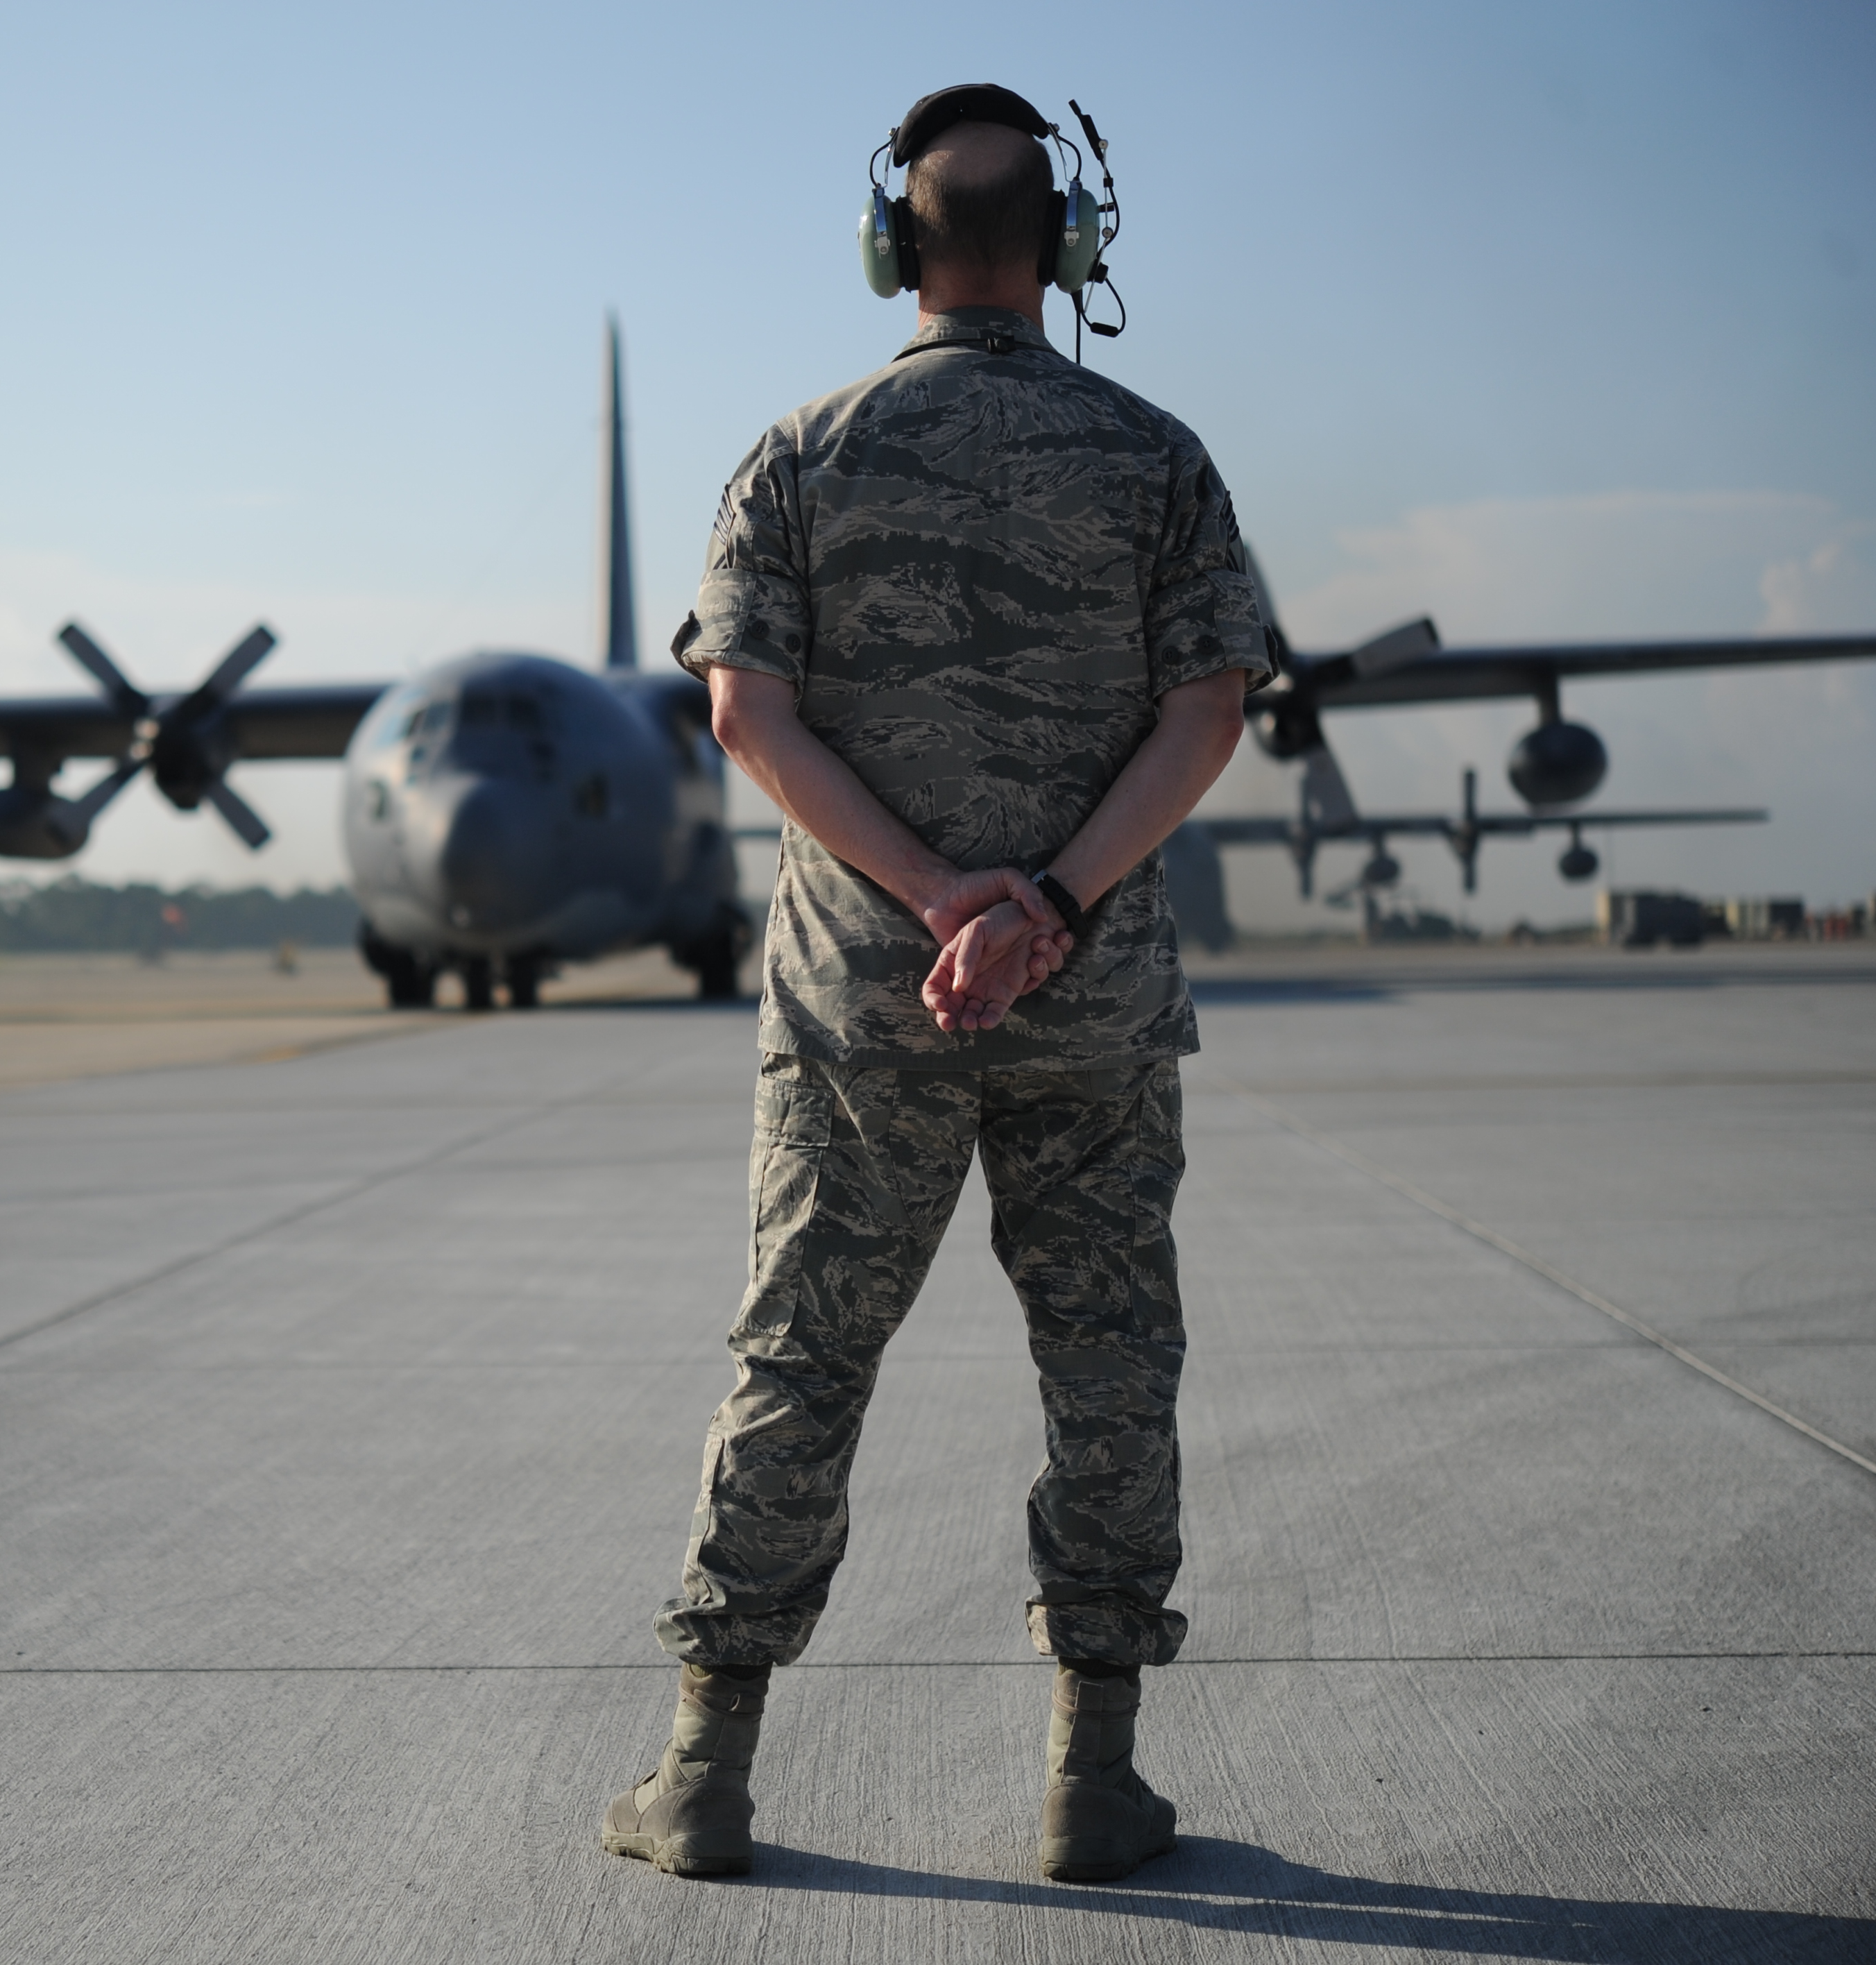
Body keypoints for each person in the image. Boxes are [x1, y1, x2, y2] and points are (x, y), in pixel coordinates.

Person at [598, 83, 1268, 1887]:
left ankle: (705, 1778)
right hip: (1095, 1006)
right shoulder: (1159, 461)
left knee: (799, 1363)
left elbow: (744, 708)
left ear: (894, 248)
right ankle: (1092, 1783)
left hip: (855, 1013)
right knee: (1111, 1370)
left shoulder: (798, 454)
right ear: (1070, 250)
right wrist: (1040, 903)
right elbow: (1212, 711)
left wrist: (930, 899)